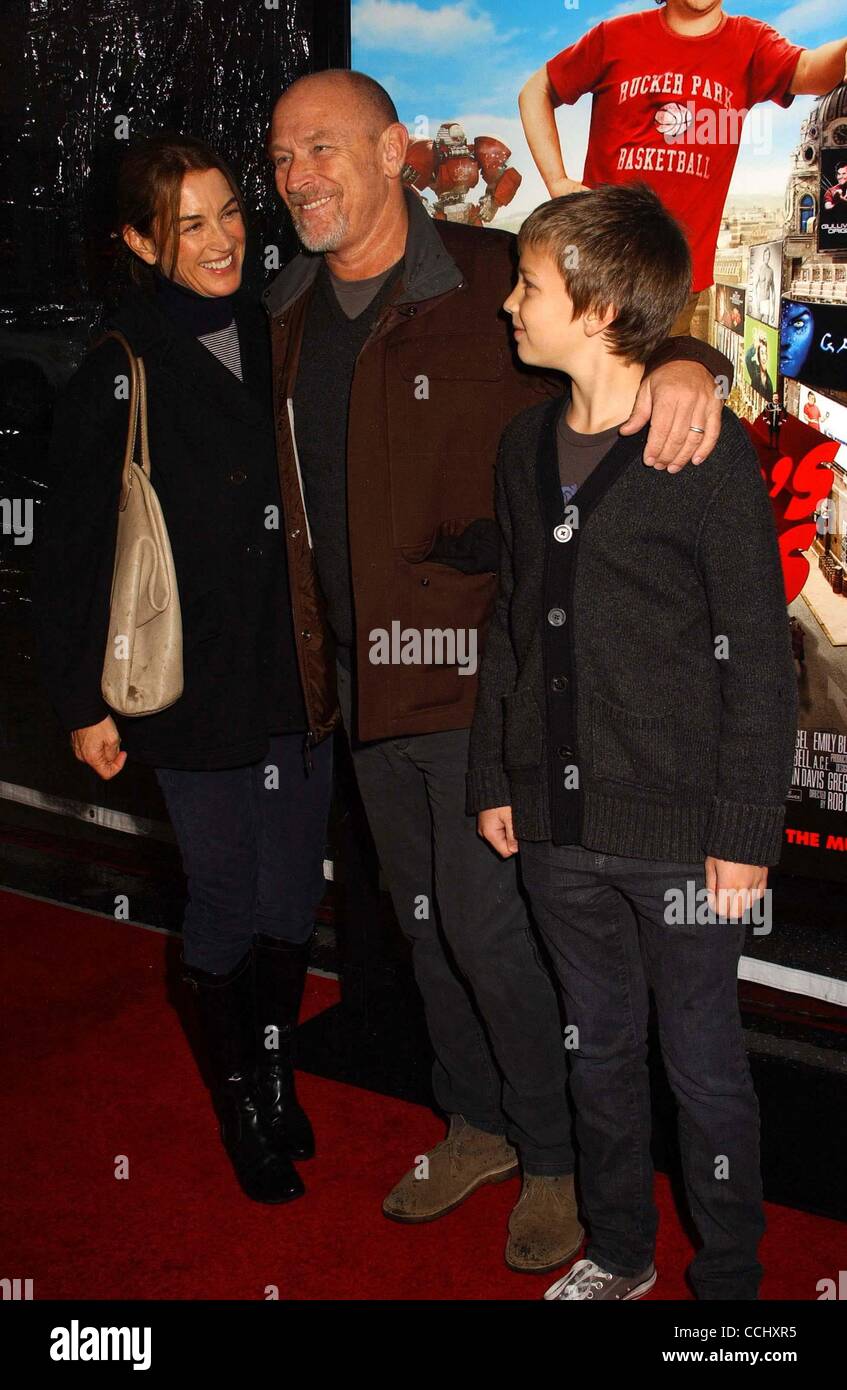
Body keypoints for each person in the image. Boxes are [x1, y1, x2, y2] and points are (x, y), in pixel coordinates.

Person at [261, 67, 734, 1271]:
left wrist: (692, 362)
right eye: (280, 157)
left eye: (320, 148)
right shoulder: (284, 309)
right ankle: (472, 1122)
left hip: (484, 691)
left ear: (389, 153)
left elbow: (622, 324)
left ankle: (558, 1161)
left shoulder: (486, 280)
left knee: (488, 933)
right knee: (425, 936)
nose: (296, 176)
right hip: (361, 685)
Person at [468, 181, 798, 1300]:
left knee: (703, 1069)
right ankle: (618, 1251)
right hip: (558, 830)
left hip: (687, 842)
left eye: (528, 284)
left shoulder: (701, 454)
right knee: (594, 1051)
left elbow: (758, 656)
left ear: (602, 307)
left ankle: (730, 1283)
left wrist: (747, 830)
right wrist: (496, 776)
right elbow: (512, 621)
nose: (509, 304)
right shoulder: (521, 445)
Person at [33, 134, 332, 1207]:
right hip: (189, 685)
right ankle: (240, 1100)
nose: (219, 240)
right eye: (186, 225)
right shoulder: (120, 362)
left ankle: (277, 1063)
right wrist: (81, 702)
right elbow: (68, 551)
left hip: (295, 675)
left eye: (226, 212)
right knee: (225, 896)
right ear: (137, 242)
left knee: (295, 895)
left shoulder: (280, 324)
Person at [518, 0, 846, 332]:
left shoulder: (751, 43)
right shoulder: (615, 36)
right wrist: (557, 181)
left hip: (674, 286)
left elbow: (811, 72)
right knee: (576, 380)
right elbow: (536, 90)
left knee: (662, 381)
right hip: (594, 267)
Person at [745, 332, 774, 399]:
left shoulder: (770, 384)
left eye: (766, 353)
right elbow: (747, 358)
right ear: (758, 356)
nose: (764, 358)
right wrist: (755, 345)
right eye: (762, 353)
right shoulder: (755, 377)